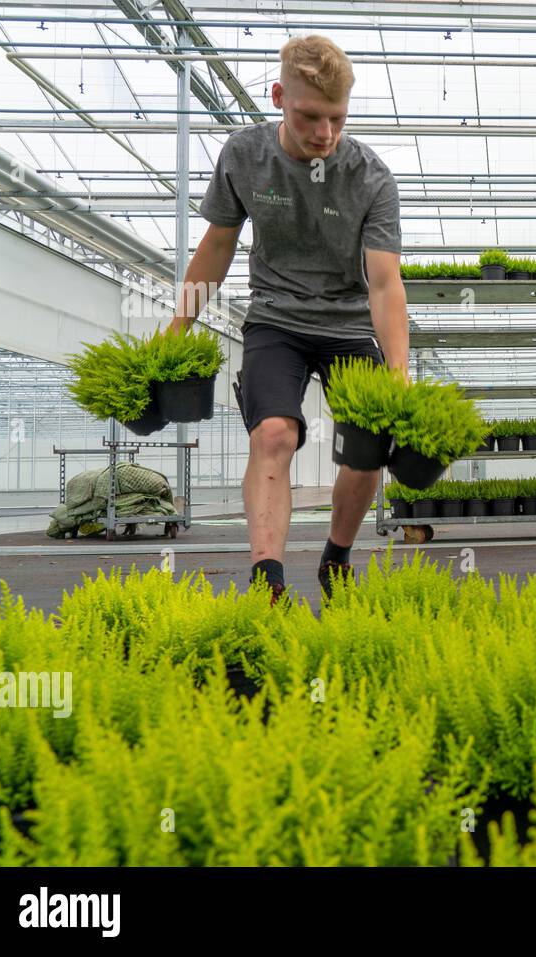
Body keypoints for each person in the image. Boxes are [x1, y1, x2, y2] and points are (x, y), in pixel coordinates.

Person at [167, 35, 407, 603]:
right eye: (309, 116)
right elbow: (218, 246)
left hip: (349, 325)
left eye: (336, 118)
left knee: (368, 444)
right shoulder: (244, 156)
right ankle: (267, 580)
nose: (324, 133)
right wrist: (175, 331)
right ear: (278, 97)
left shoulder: (372, 178)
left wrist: (398, 370)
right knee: (274, 432)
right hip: (275, 318)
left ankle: (336, 558)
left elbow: (384, 282)